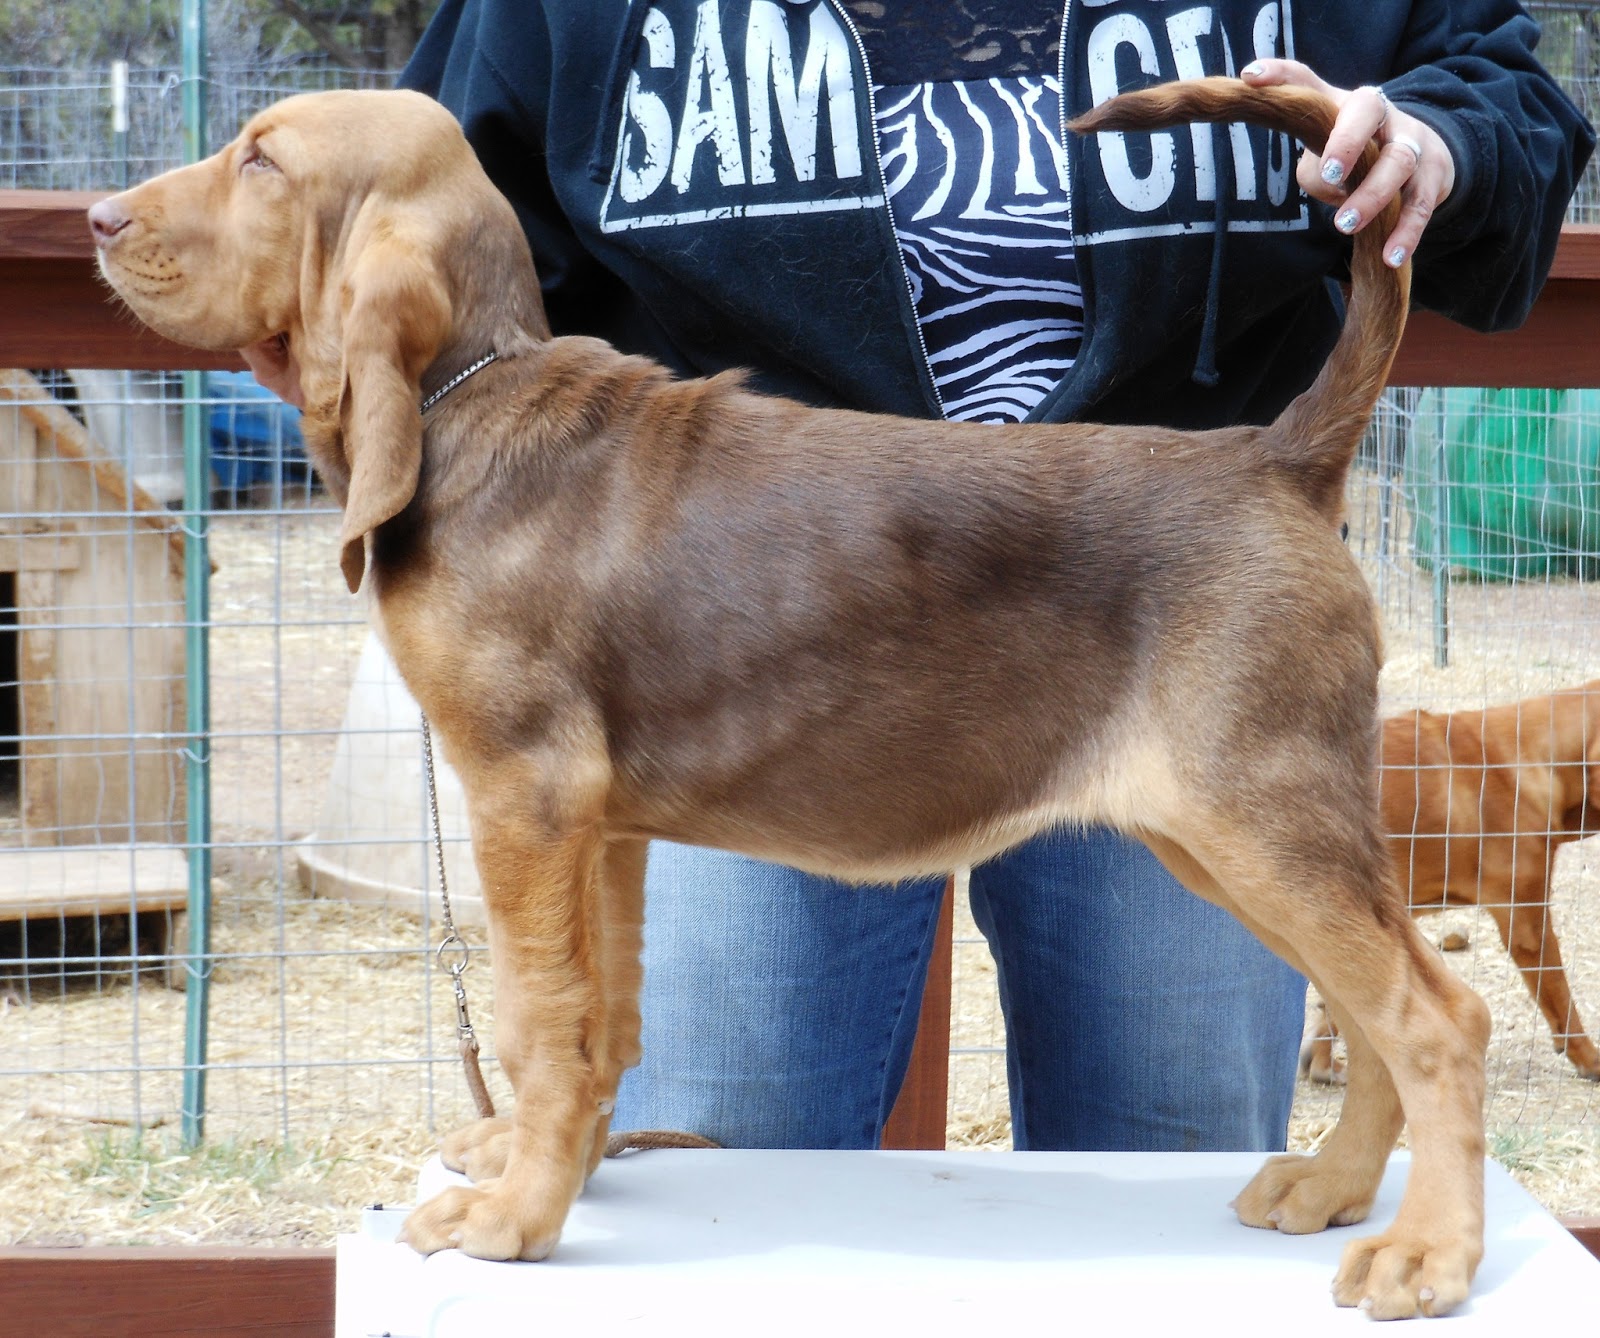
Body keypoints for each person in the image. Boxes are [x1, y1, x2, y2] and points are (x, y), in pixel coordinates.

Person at [256, 1, 1594, 1154]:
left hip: (1169, 586)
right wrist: (348, 363)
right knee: (722, 1204)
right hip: (733, 627)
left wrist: (1444, 143)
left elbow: (1506, 103)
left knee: (1169, 1210)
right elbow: (423, 207)